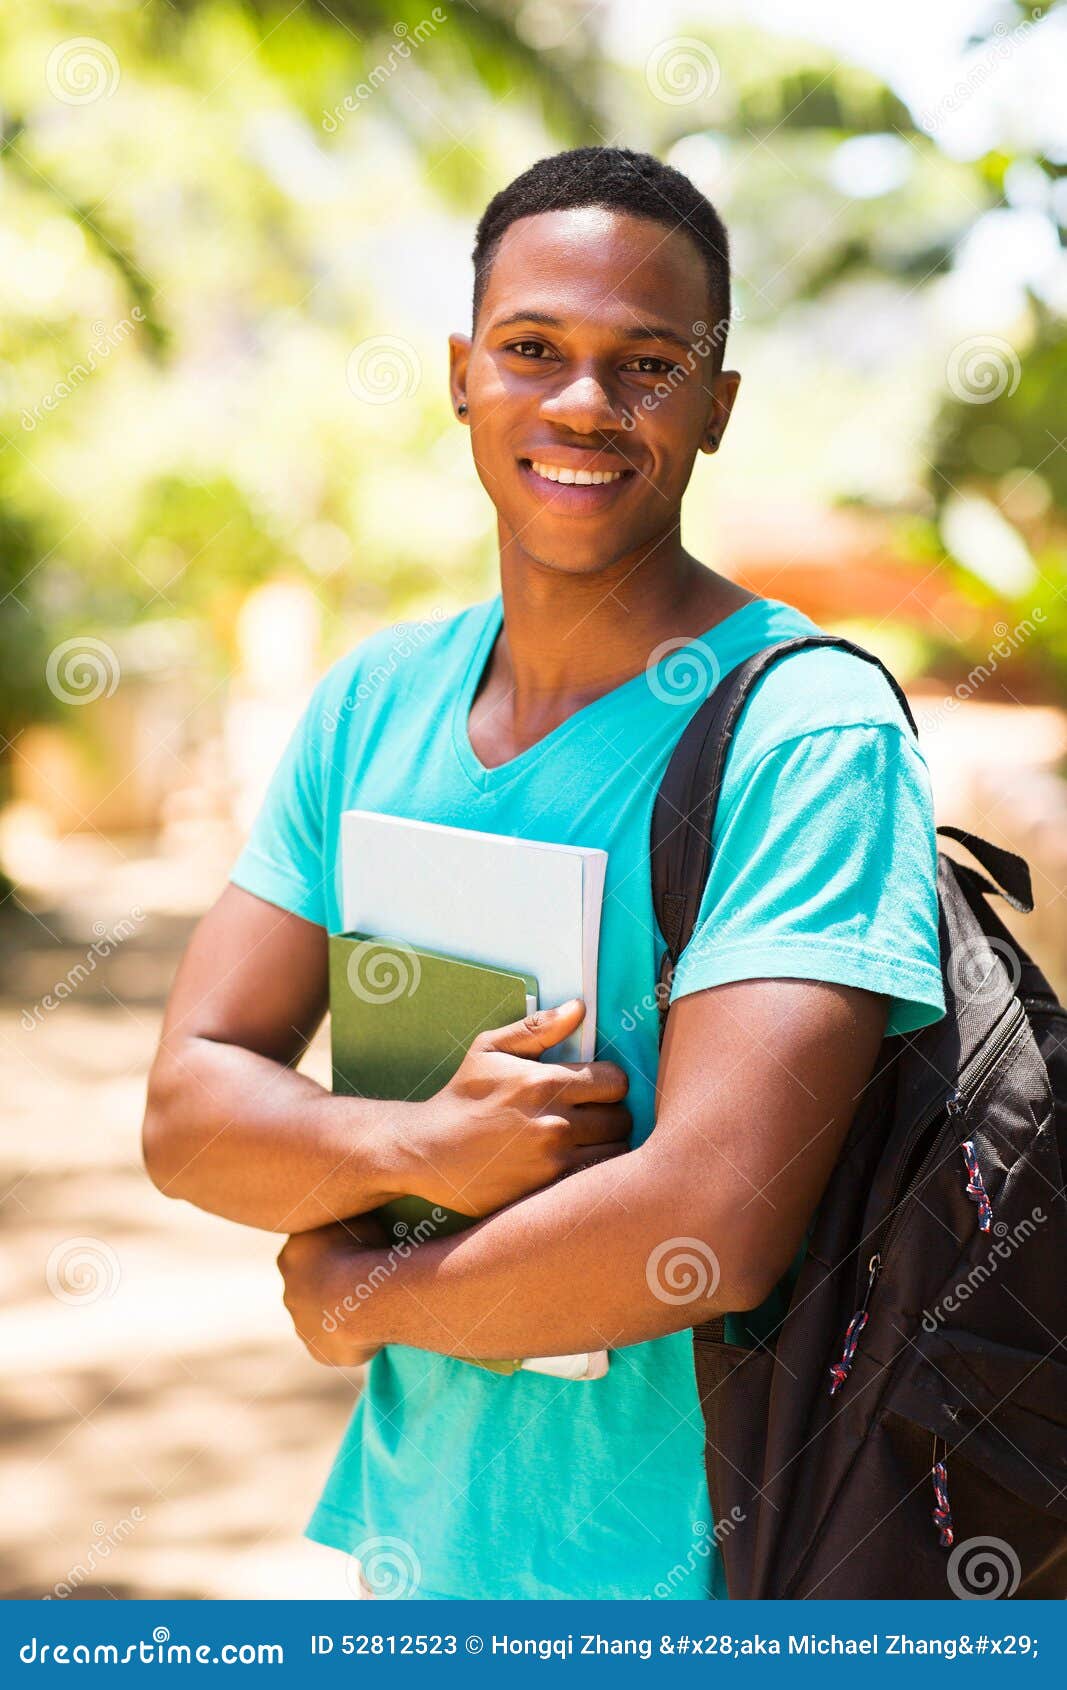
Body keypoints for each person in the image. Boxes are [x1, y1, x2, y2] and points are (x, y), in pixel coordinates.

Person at [142, 145, 945, 1601]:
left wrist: (365, 1294)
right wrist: (414, 1150)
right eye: (533, 349)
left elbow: (711, 1220)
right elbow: (191, 1106)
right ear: (463, 373)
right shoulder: (370, 707)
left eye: (648, 363)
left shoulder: (802, 731)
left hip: (714, 1580)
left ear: (717, 407)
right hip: (423, 1554)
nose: (583, 402)